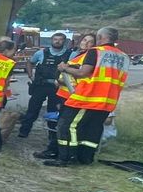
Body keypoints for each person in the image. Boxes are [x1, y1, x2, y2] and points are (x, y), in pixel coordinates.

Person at [47, 26, 129, 167]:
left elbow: (83, 73)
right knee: (93, 129)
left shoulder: (96, 52)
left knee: (66, 126)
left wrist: (64, 68)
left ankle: (66, 158)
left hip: (87, 98)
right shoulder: (123, 57)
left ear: (101, 37)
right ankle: (85, 158)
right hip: (108, 101)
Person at [18, 32, 70, 138]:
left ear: (64, 41)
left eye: (60, 39)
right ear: (52, 40)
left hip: (57, 88)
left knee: (54, 111)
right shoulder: (41, 53)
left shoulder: (69, 54)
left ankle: (52, 135)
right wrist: (30, 75)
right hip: (40, 86)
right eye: (55, 39)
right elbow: (30, 62)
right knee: (32, 109)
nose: (57, 41)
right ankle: (24, 131)